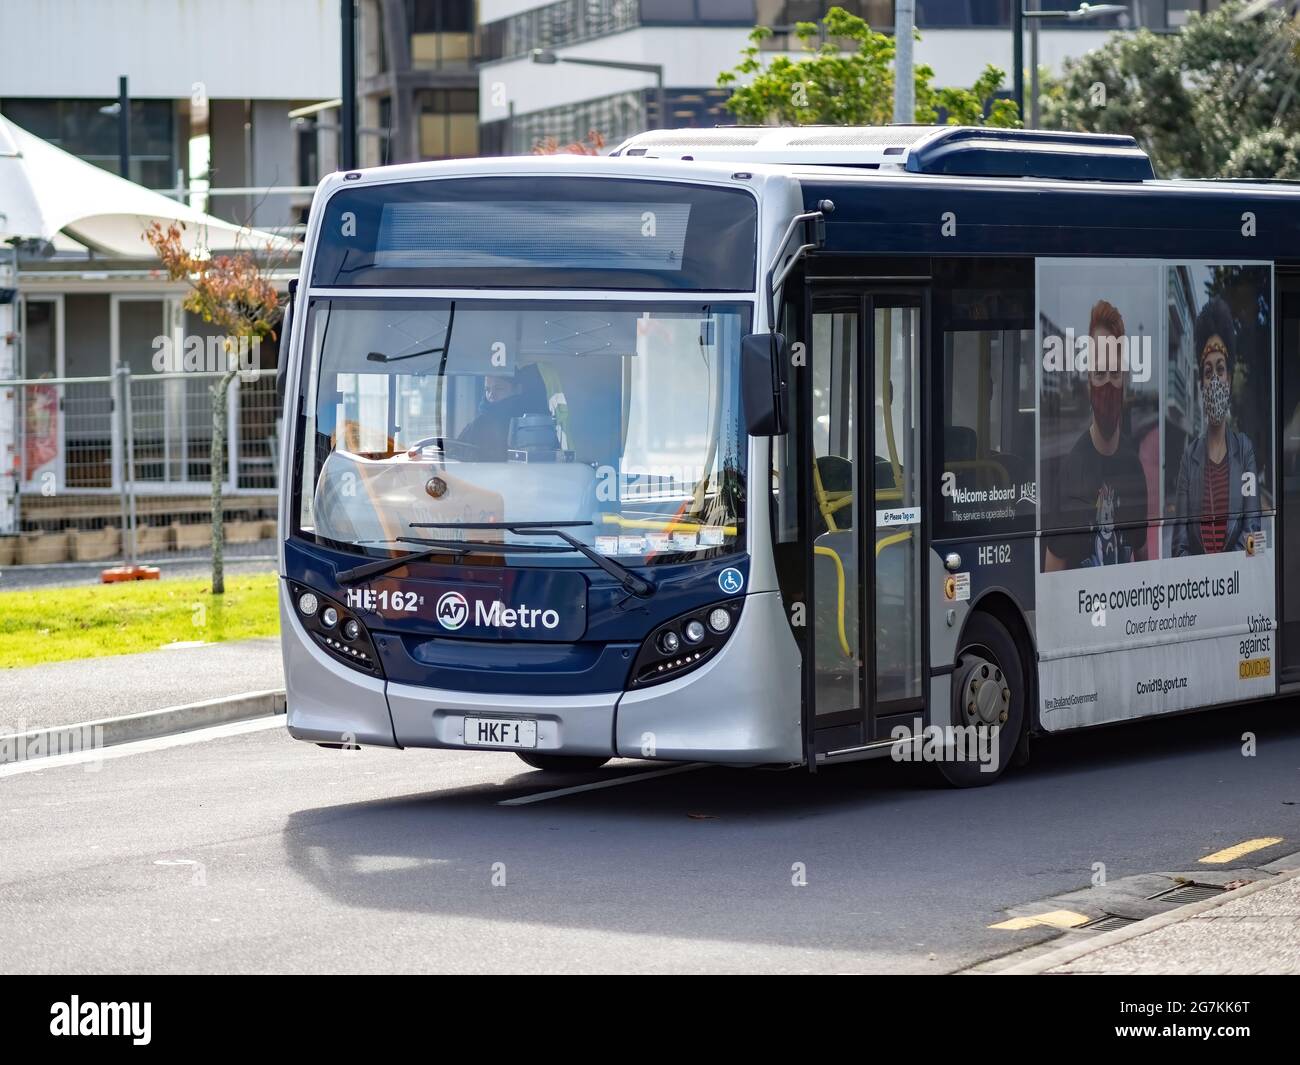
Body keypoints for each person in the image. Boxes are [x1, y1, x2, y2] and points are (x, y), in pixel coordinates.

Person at [1044, 300, 1149, 570]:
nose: (1108, 384)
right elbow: (1053, 578)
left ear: (1124, 377)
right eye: (1100, 373)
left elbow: (1143, 566)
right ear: (1088, 379)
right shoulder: (1071, 472)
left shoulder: (1133, 467)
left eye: (1114, 373)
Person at [1170, 297, 1260, 556]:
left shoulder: (1244, 452)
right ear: (1201, 385)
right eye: (1208, 372)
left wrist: (1226, 578)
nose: (1215, 380)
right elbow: (1179, 543)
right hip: (1200, 591)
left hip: (1234, 586)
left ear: (1229, 379)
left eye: (1220, 370)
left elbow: (1252, 529)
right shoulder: (1189, 458)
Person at [456, 369, 546, 461]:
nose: (491, 395)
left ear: (517, 389)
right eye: (487, 389)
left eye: (498, 388)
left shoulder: (529, 424)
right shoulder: (477, 424)